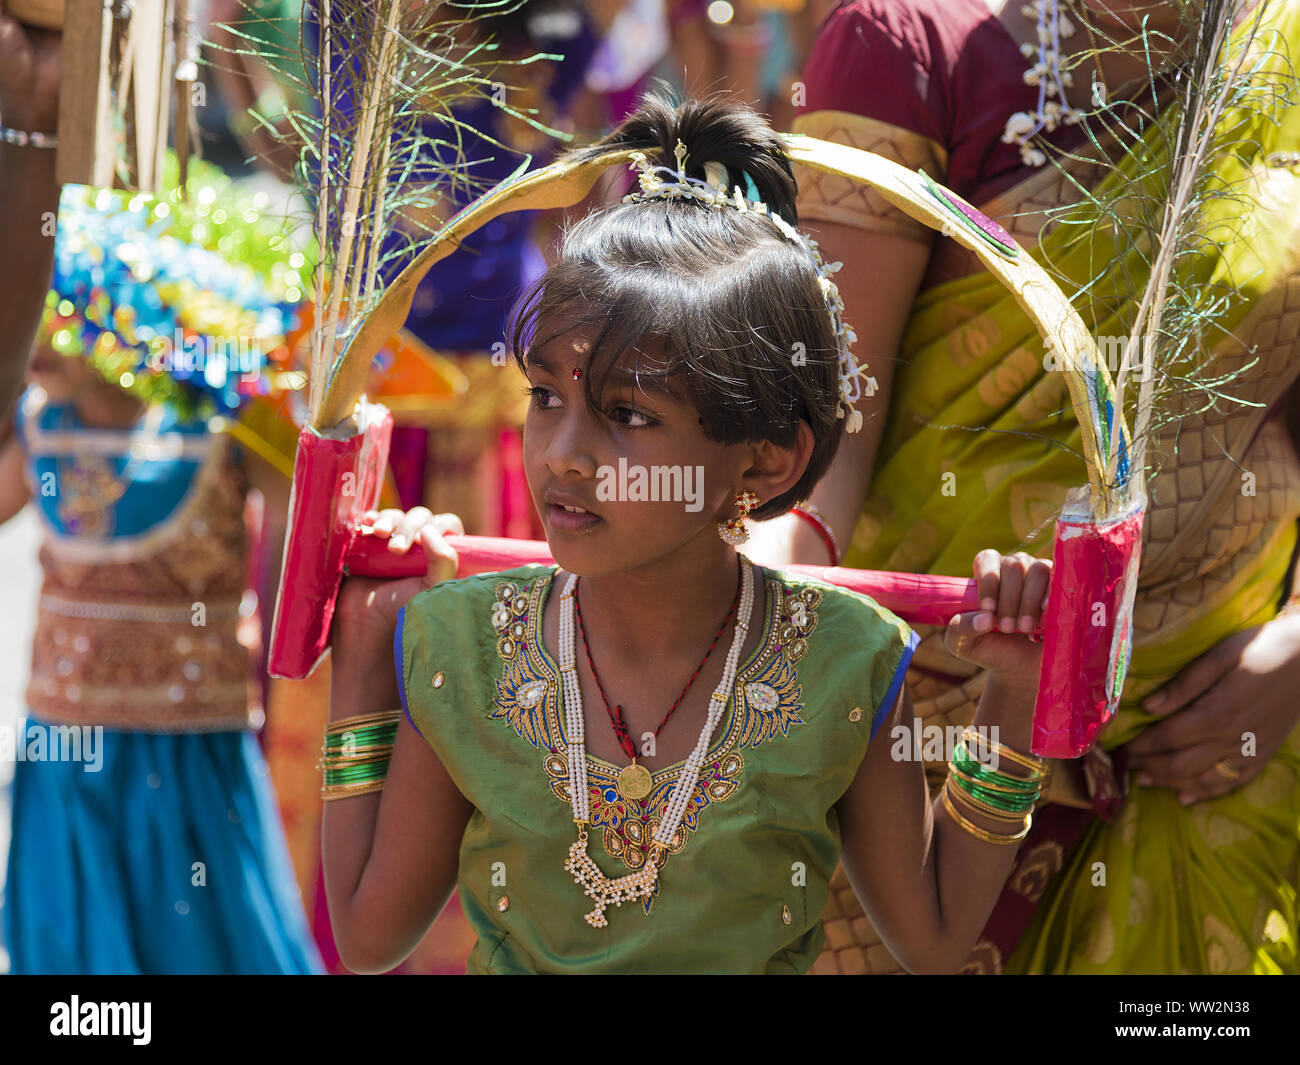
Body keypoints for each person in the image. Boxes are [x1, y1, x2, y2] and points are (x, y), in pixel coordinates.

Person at [317, 95, 1071, 974]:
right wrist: (368, 657)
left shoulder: (848, 663)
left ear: (766, 461)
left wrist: (1011, 697)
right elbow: (369, 940)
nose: (564, 457)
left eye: (626, 414)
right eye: (546, 397)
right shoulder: (461, 645)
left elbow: (934, 942)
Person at [777, 0, 1300, 973]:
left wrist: (1295, 658)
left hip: (1219, 732)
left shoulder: (1285, 56)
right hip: (933, 714)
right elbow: (833, 414)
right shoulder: (907, 43)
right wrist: (770, 601)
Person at [0, 179, 322, 975]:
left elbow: (316, 515)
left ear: (126, 307)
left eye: (62, 300)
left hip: (188, 750)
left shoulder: (219, 428)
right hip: (65, 748)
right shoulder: (37, 427)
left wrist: (304, 392)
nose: (36, 325)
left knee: (200, 942)